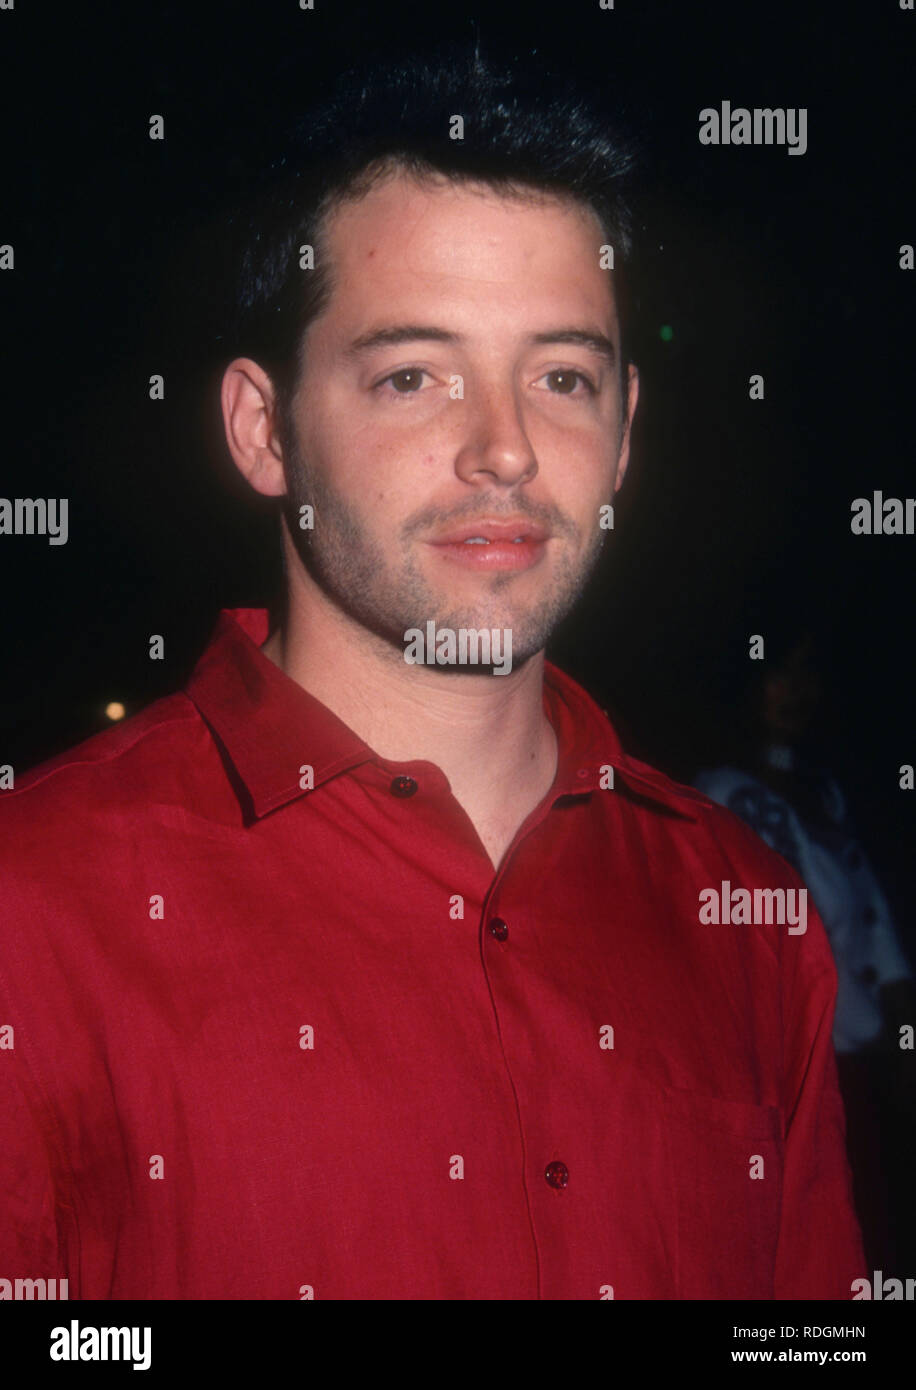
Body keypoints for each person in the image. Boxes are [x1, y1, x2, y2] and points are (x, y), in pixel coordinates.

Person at [0, 47, 864, 1300]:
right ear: (265, 430)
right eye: (414, 375)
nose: (505, 449)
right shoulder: (37, 903)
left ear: (625, 430)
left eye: (560, 377)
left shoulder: (748, 916)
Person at [695, 627, 915, 1271]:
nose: (794, 692)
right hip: (805, 1071)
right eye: (777, 674)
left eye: (806, 674)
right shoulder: (720, 794)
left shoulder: (826, 792)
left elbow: (874, 923)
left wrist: (904, 1028)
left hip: (868, 1055)